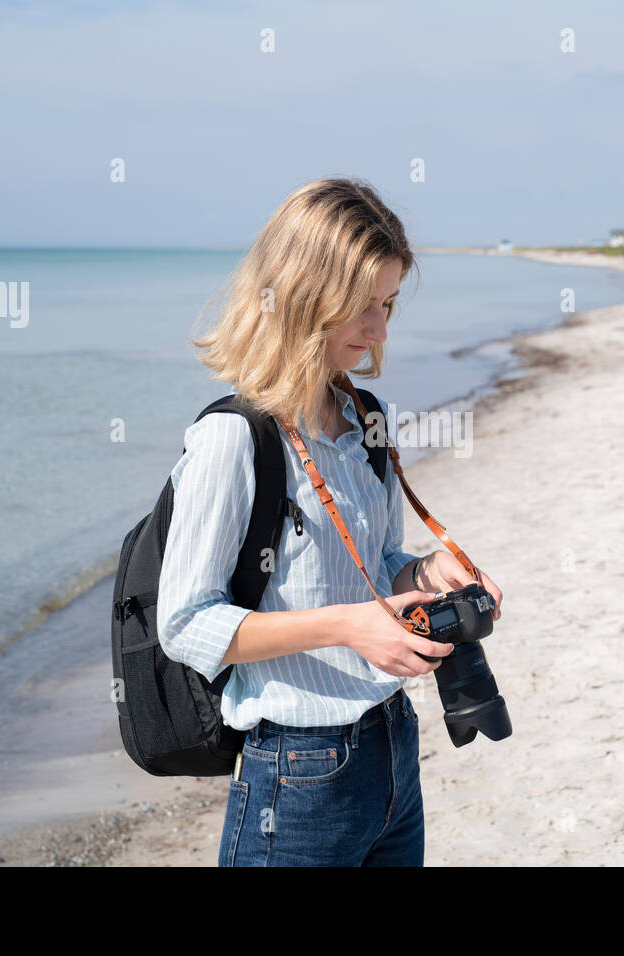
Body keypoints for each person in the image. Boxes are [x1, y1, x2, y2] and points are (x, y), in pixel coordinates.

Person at [156, 177, 504, 866]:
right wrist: (348, 626)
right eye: (360, 306)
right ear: (301, 294)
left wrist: (429, 573)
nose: (379, 329)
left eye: (388, 303)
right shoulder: (236, 440)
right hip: (299, 774)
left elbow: (373, 567)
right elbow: (185, 624)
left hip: (394, 747)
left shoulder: (365, 419)